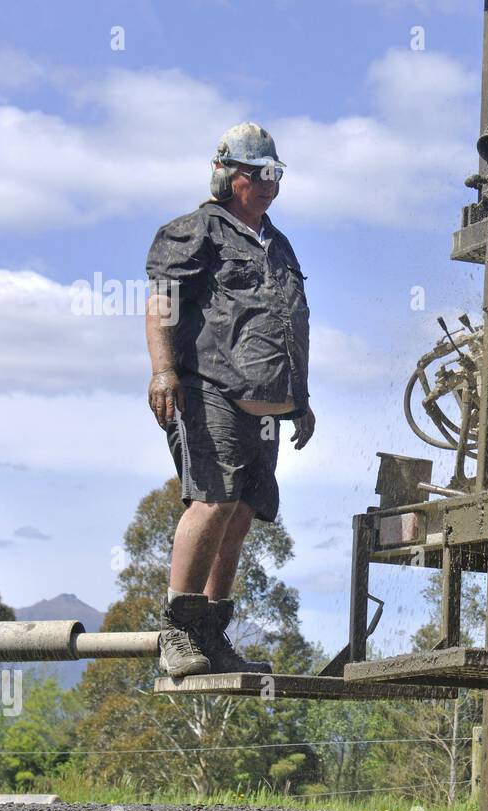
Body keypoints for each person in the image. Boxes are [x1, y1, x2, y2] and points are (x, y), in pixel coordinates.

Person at [144, 122, 315, 677]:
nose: (269, 184)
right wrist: (164, 370)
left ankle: (212, 636)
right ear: (227, 177)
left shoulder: (279, 244)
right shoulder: (197, 232)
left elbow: (289, 325)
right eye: (257, 174)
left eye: (275, 174)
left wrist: (301, 402)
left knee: (242, 512)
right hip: (209, 390)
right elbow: (161, 304)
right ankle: (177, 631)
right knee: (213, 500)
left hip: (269, 405)